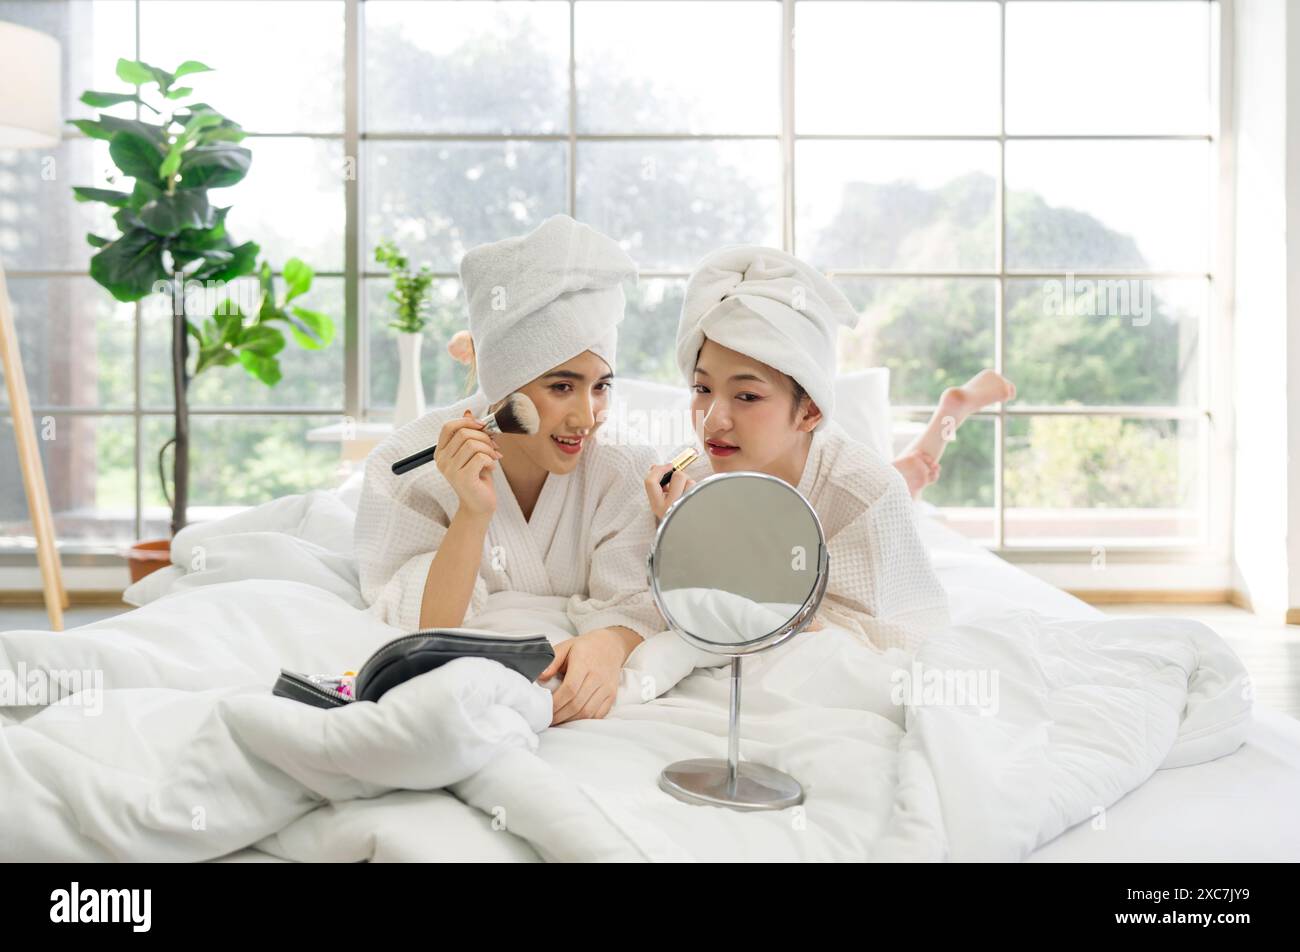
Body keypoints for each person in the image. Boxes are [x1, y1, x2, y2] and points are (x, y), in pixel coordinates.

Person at [354, 215, 660, 725]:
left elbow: (634, 603)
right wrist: (472, 515)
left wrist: (607, 643)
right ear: (503, 384)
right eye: (562, 387)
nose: (586, 417)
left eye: (601, 386)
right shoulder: (404, 466)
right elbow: (428, 630)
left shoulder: (624, 466)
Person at [643, 245, 954, 654]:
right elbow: (658, 606)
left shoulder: (866, 493)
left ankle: (938, 433)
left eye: (748, 396)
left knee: (898, 483)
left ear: (809, 411)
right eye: (702, 389)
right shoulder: (688, 480)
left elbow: (883, 640)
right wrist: (675, 531)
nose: (713, 421)